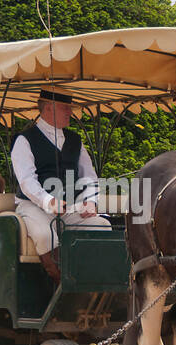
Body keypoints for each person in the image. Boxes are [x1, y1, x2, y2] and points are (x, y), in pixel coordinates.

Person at [10, 89, 109, 282]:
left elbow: (89, 176)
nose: (70, 113)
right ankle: (62, 291)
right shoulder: (24, 140)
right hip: (33, 206)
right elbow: (26, 180)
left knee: (101, 226)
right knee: (46, 236)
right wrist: (49, 201)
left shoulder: (75, 140)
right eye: (65, 108)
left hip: (69, 207)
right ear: (48, 108)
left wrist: (91, 201)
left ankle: (93, 283)